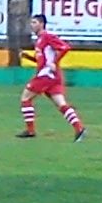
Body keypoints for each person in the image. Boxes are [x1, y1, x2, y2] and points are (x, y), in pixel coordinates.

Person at [18, 12, 85, 140]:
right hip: (52, 76)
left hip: (46, 76)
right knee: (61, 104)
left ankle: (30, 130)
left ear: (42, 24)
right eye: (31, 23)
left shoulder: (47, 36)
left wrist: (54, 62)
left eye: (34, 23)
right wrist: (28, 57)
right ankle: (79, 128)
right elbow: (42, 61)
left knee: (25, 98)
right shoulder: (39, 40)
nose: (32, 25)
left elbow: (65, 47)